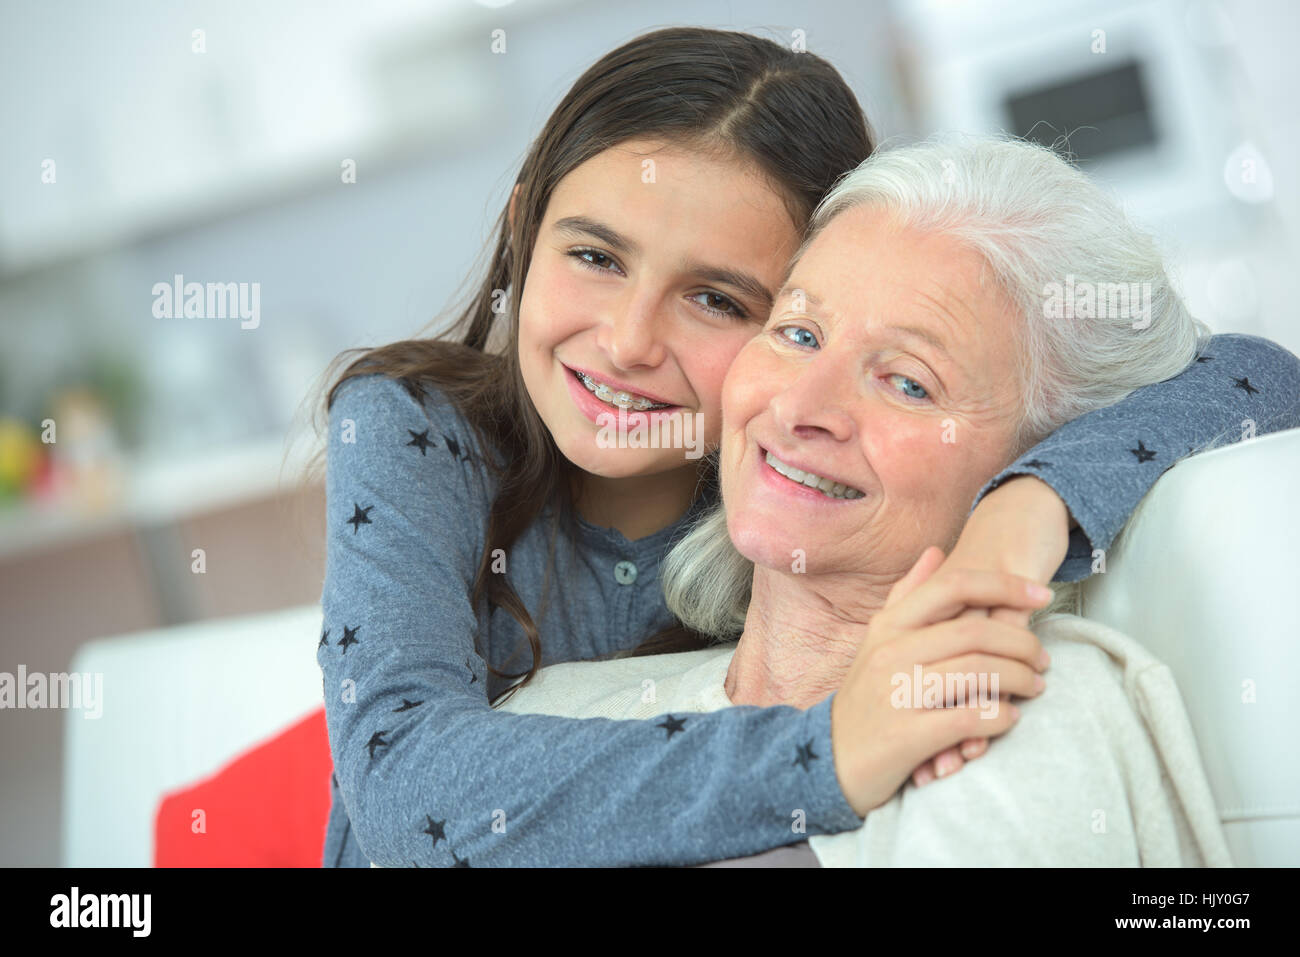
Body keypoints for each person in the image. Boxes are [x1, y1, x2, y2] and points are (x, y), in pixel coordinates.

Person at [313, 28, 1300, 867]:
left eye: (716, 300)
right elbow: (401, 783)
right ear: (527, 219)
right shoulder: (416, 431)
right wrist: (825, 751)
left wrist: (1025, 509)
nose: (627, 342)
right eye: (595, 256)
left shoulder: (785, 489)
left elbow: (1251, 375)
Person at [489, 135, 1242, 867]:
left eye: (909, 382)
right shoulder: (546, 712)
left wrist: (1030, 507)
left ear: (1048, 453)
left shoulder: (1012, 709)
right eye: (798, 332)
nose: (799, 407)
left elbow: (1256, 373)